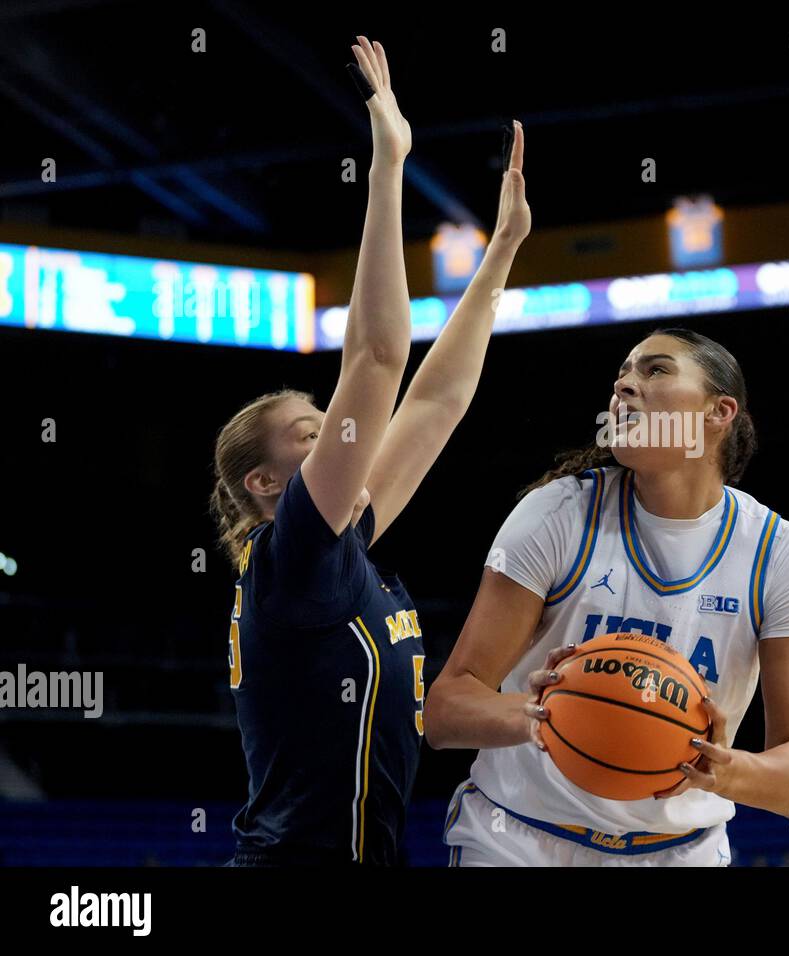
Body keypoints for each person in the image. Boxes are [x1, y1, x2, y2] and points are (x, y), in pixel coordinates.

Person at [209, 37, 531, 864]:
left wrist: (499, 255)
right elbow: (380, 363)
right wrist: (389, 164)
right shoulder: (295, 559)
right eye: (312, 437)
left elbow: (435, 401)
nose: (339, 443)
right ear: (265, 483)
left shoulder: (339, 548)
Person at [428, 328, 789, 866]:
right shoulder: (558, 514)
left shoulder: (781, 555)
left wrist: (724, 768)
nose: (624, 384)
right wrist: (540, 712)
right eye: (623, 373)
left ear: (719, 411)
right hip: (518, 839)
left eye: (655, 370)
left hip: (679, 852)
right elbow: (445, 710)